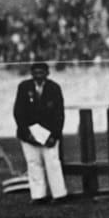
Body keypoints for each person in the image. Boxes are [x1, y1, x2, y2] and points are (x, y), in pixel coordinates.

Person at [13, 61, 68, 203]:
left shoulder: (54, 88)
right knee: (33, 163)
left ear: (47, 73)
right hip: (29, 134)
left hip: (49, 134)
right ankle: (38, 196)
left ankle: (59, 195)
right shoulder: (24, 87)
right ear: (31, 74)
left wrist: (55, 135)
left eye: (41, 73)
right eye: (36, 73)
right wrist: (27, 134)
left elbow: (59, 114)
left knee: (53, 162)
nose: (38, 76)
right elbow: (18, 112)